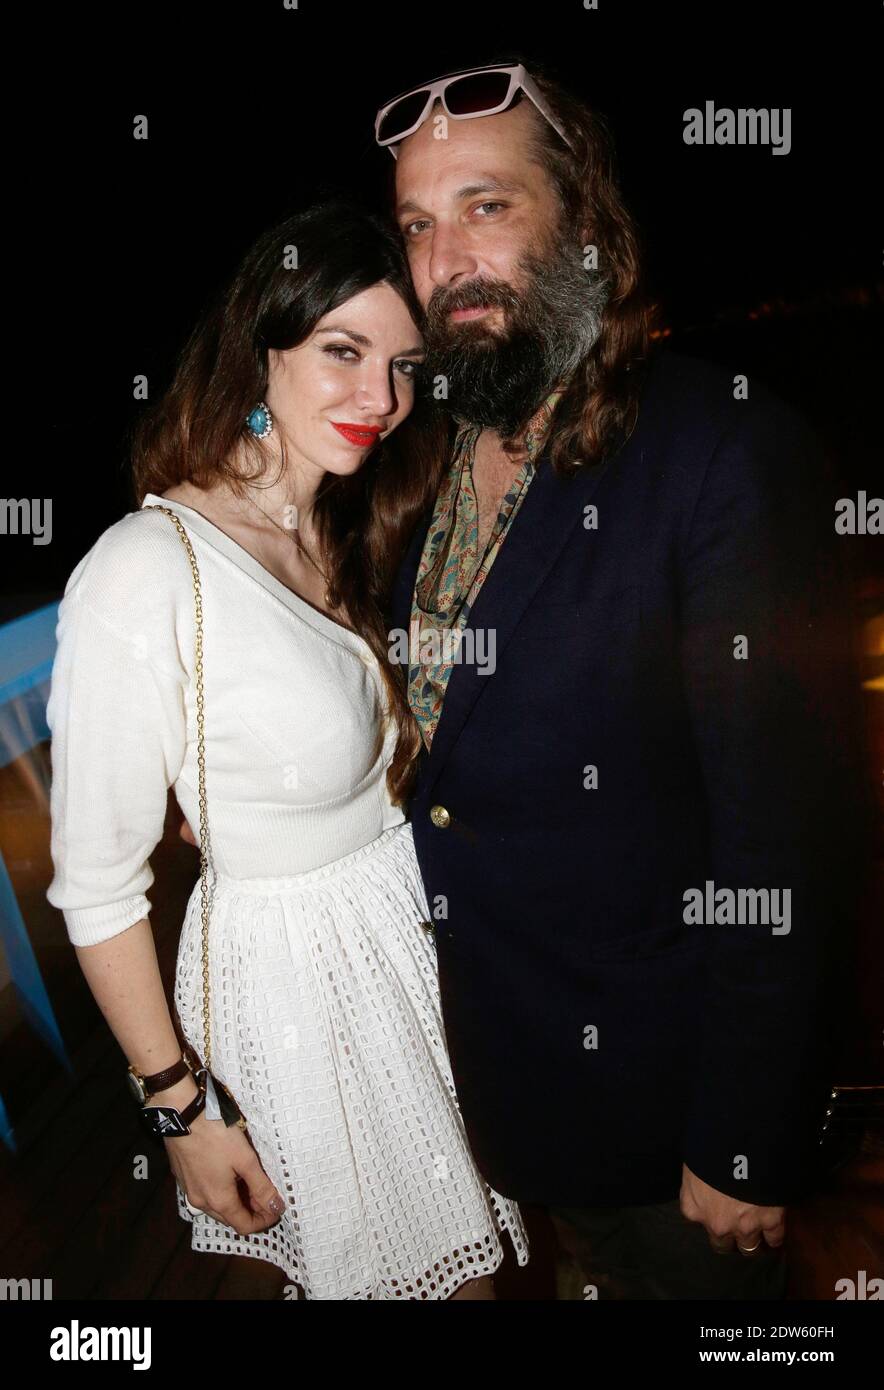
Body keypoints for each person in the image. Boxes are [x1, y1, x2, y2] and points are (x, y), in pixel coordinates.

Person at [375, 56, 860, 1299]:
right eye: (419, 225)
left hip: (674, 1127)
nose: (446, 260)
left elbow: (784, 837)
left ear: (585, 226)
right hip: (506, 1094)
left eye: (487, 206)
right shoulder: (416, 469)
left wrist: (746, 1133)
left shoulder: (719, 454)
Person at [44, 200, 529, 1301]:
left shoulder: (345, 528)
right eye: (341, 353)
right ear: (256, 349)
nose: (381, 400)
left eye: (405, 366)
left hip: (404, 951)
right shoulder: (144, 568)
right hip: (307, 991)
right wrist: (179, 1107)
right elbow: (97, 888)